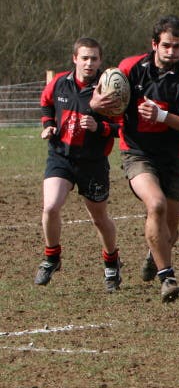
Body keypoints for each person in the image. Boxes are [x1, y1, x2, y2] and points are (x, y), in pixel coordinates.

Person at [118, 15, 179, 302]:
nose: (172, 52)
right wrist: (98, 104)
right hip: (137, 152)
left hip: (174, 157)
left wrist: (164, 117)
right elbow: (105, 102)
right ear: (154, 44)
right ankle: (167, 277)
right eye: (166, 46)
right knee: (154, 204)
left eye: (177, 46)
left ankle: (153, 254)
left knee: (171, 231)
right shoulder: (130, 69)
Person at [36, 37, 123, 292]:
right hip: (61, 156)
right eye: (84, 58)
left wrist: (101, 127)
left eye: (94, 58)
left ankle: (111, 262)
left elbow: (122, 128)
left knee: (99, 219)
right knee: (50, 207)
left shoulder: (109, 89)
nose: (89, 63)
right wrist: (48, 125)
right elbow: (46, 103)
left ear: (100, 61)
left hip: (93, 163)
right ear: (75, 58)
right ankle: (52, 256)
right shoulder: (60, 83)